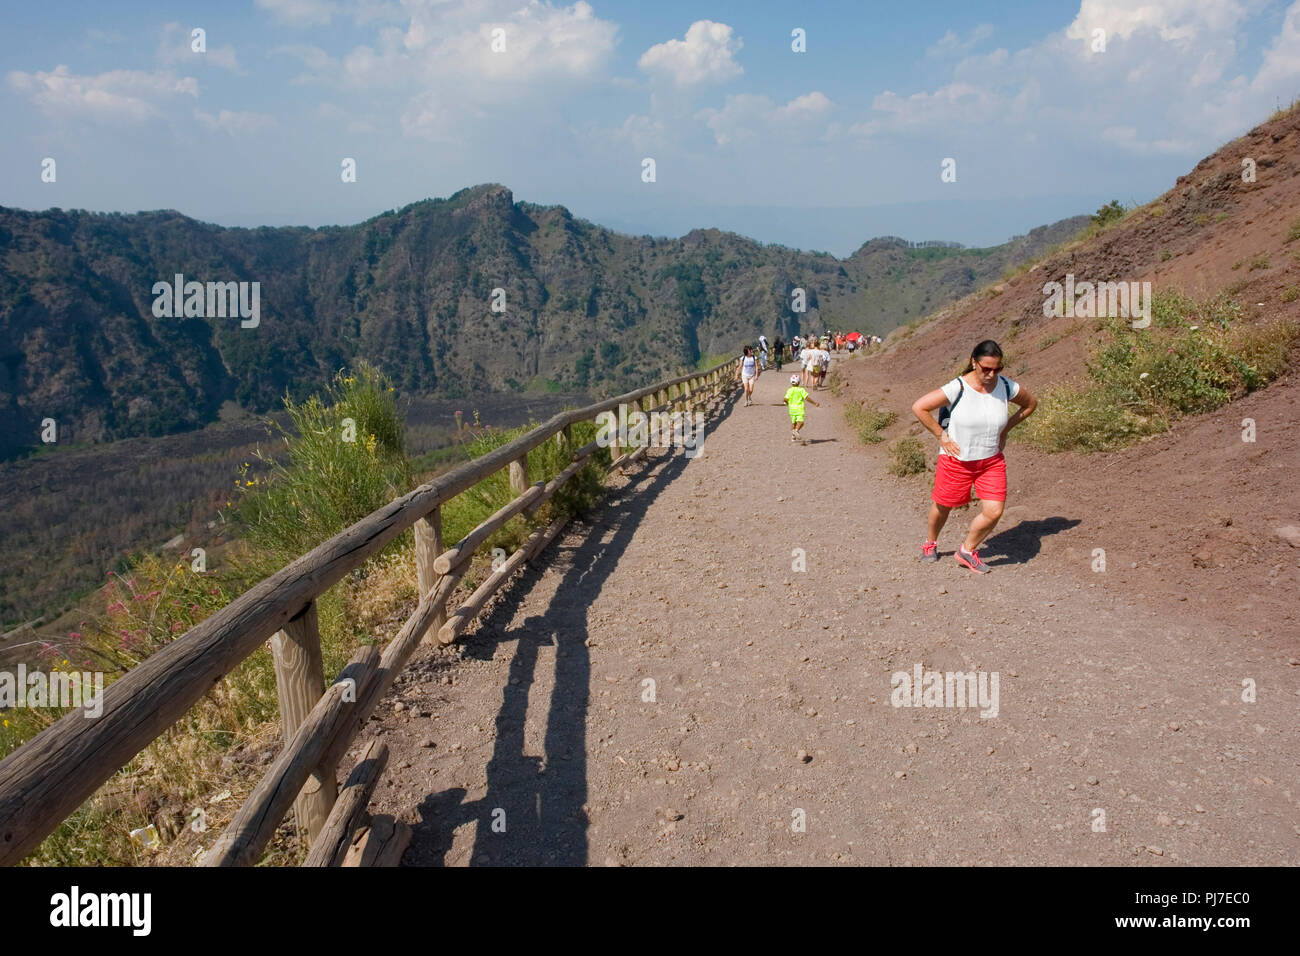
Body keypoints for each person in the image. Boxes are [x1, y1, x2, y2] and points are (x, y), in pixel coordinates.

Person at [910, 340, 1037, 573]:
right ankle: (931, 542)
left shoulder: (1006, 387)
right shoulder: (958, 387)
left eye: (997, 369)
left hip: (991, 461)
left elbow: (1030, 404)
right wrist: (942, 436)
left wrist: (1006, 429)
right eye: (986, 368)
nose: (991, 374)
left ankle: (967, 550)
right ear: (973, 362)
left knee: (994, 511)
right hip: (956, 460)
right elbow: (919, 407)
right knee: (943, 505)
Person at [783, 373, 819, 443]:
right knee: (801, 422)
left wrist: (785, 402)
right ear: (799, 382)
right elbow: (807, 398)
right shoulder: (801, 390)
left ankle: (793, 436)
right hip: (799, 409)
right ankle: (796, 431)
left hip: (792, 410)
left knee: (793, 423)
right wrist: (814, 403)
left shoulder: (789, 390)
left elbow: (785, 398)